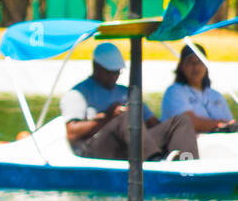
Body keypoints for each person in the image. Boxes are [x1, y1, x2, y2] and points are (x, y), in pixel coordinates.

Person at [60, 42, 199, 161]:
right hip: (95, 148)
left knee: (180, 121)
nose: (114, 77)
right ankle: (154, 162)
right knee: (126, 116)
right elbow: (72, 133)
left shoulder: (126, 92)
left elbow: (153, 123)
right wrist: (108, 116)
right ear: (96, 67)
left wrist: (176, 134)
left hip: (131, 146)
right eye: (109, 72)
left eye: (117, 72)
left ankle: (187, 164)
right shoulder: (79, 93)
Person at [161, 44, 238, 134]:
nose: (196, 67)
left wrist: (228, 125)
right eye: (191, 62)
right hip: (189, 144)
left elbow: (230, 123)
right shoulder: (174, 92)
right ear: (181, 66)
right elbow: (189, 122)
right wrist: (221, 125)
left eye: (200, 61)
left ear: (206, 65)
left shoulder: (216, 95)